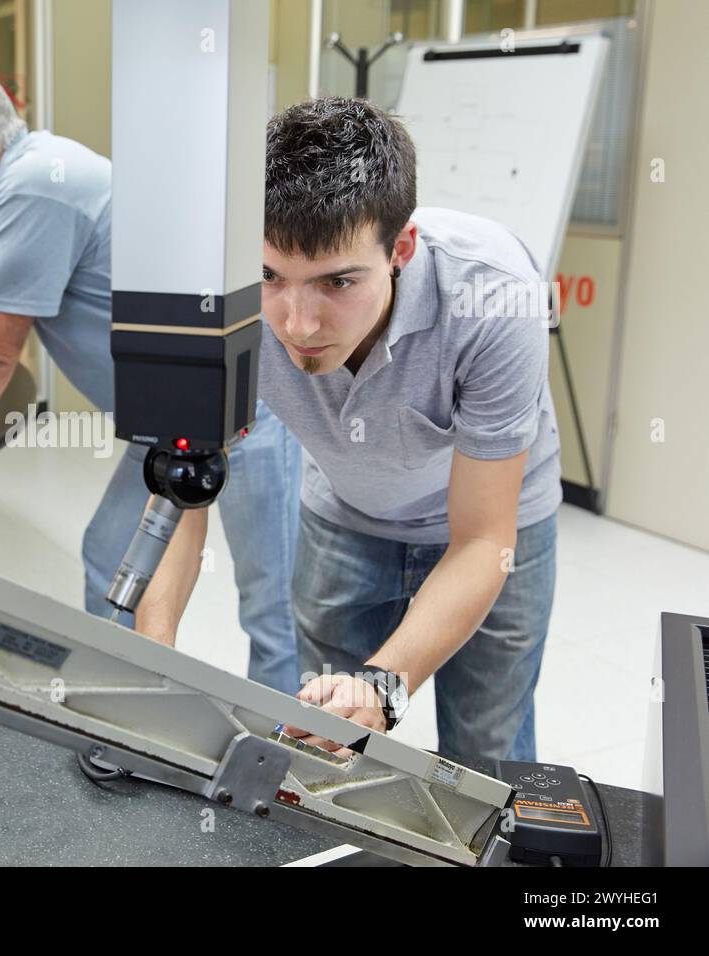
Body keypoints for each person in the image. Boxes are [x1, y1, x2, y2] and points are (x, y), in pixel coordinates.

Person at [0, 49, 304, 692]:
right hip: (167, 423)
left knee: (270, 608)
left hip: (245, 408)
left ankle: (292, 769)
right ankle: (128, 720)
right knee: (112, 561)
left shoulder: (37, 186)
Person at [137, 97, 562, 762]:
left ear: (401, 249)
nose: (298, 324)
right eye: (270, 277)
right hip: (348, 513)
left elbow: (482, 541)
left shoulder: (495, 296)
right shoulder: (216, 298)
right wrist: (150, 673)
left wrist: (385, 690)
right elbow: (178, 499)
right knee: (326, 735)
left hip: (496, 520)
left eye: (337, 281)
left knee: (488, 746)